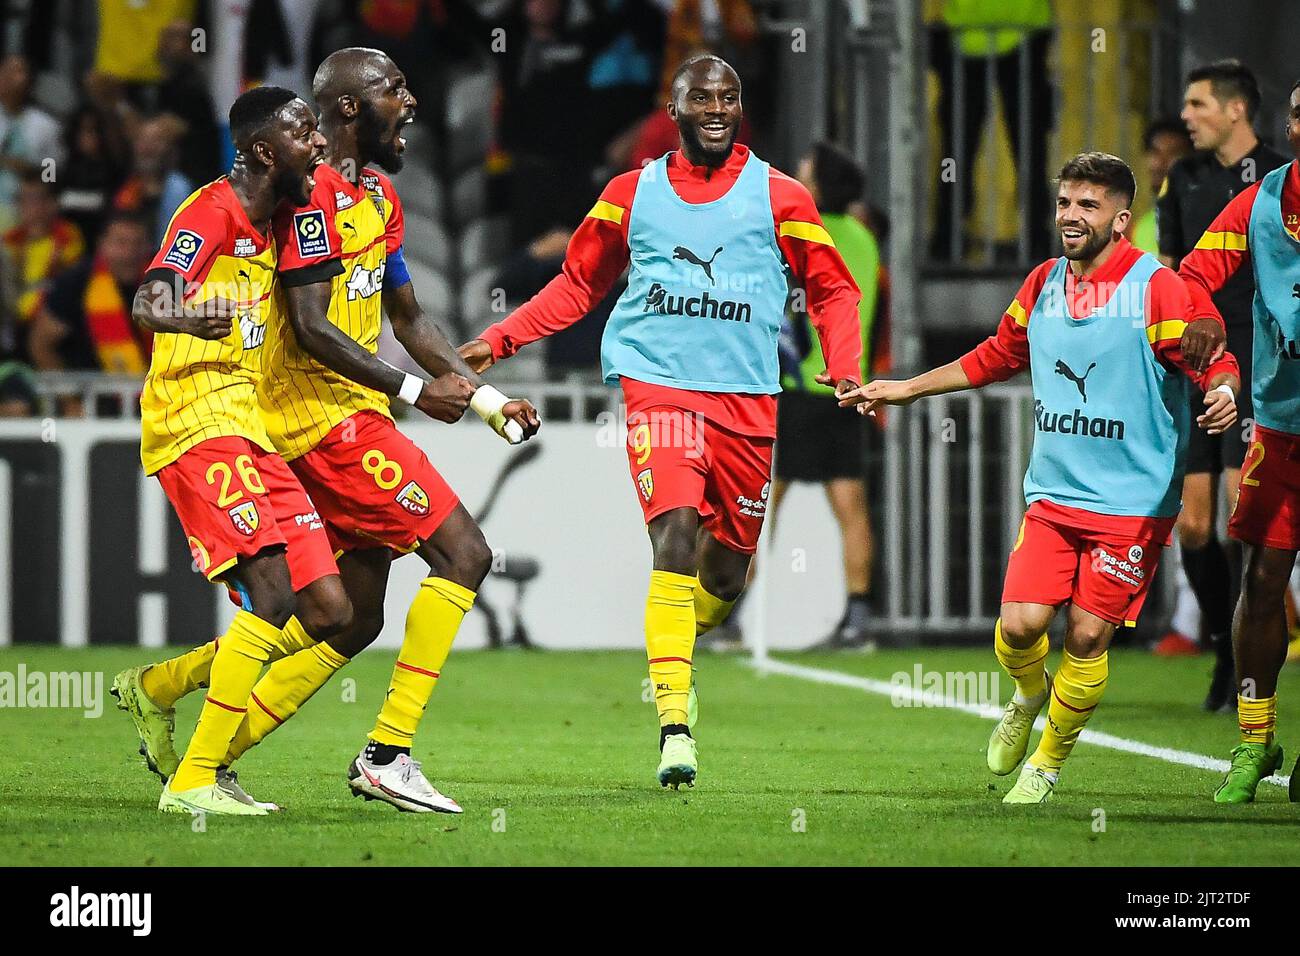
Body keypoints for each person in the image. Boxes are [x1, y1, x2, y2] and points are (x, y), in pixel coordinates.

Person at [123, 49, 540, 816]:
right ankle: (387, 752)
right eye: (395, 89)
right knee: (465, 553)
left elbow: (408, 319)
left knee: (346, 618)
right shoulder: (300, 204)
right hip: (319, 419)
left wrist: (483, 399)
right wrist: (418, 392)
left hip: (342, 413)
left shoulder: (376, 198)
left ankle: (187, 722)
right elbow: (310, 328)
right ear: (348, 109)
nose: (410, 103)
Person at [459, 54, 863, 788]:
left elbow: (833, 289)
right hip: (659, 389)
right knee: (674, 534)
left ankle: (674, 636)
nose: (715, 108)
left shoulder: (782, 197)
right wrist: (500, 337)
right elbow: (578, 283)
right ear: (670, 111)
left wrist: (842, 364)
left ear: (742, 109)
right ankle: (676, 725)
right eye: (700, 98)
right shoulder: (628, 194)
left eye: (729, 97)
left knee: (728, 570)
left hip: (747, 400)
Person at [844, 152, 1239, 803]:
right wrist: (910, 389)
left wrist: (1223, 389)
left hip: (1132, 503)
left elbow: (1208, 350)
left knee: (1086, 635)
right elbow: (1000, 353)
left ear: (1121, 218)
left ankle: (1047, 765)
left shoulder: (1156, 288)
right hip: (1054, 495)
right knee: (1022, 627)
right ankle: (1029, 695)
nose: (1071, 215)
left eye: (1088, 204)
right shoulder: (1043, 283)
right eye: (1064, 202)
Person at [112, 85, 354, 816]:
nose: (317, 143)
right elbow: (149, 301)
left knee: (328, 609)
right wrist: (190, 313)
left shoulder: (284, 219)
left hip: (249, 424)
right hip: (195, 419)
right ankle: (195, 781)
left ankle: (158, 687)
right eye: (304, 132)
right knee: (272, 590)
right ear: (261, 151)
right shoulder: (208, 213)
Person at [1176, 80, 1300, 803]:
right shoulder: (1259, 203)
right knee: (1260, 582)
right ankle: (1255, 741)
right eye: (1298, 114)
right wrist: (1209, 325)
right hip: (1281, 428)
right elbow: (1193, 275)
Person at [1157, 59, 1289, 711]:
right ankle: (1222, 643)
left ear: (1236, 109)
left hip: (1260, 359)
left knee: (1244, 515)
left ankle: (1244, 659)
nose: (1187, 116)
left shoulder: (1274, 180)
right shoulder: (1180, 178)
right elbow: (1170, 266)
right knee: (1195, 527)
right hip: (1196, 354)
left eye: (1198, 104)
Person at [769, 141, 883, 650]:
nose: (796, 176)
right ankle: (858, 616)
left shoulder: (806, 236)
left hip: (800, 387)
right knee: (851, 506)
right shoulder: (864, 237)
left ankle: (729, 614)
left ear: (816, 188)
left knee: (757, 501)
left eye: (804, 173)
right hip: (848, 388)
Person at [2, 173, 85, 360]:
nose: (30, 207)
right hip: (14, 319)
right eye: (24, 200)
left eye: (36, 199)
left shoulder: (67, 235)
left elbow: (66, 278)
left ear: (52, 204)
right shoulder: (10, 240)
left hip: (49, 314)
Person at [0, 54, 63, 229]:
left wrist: (32, 170)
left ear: (30, 81)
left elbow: (51, 171)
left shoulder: (46, 125)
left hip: (27, 209)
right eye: (4, 71)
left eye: (17, 71)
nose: (8, 77)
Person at [1128, 118, 1190, 255]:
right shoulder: (1142, 226)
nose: (1160, 163)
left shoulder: (1198, 219)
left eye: (1173, 153)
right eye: (1155, 152)